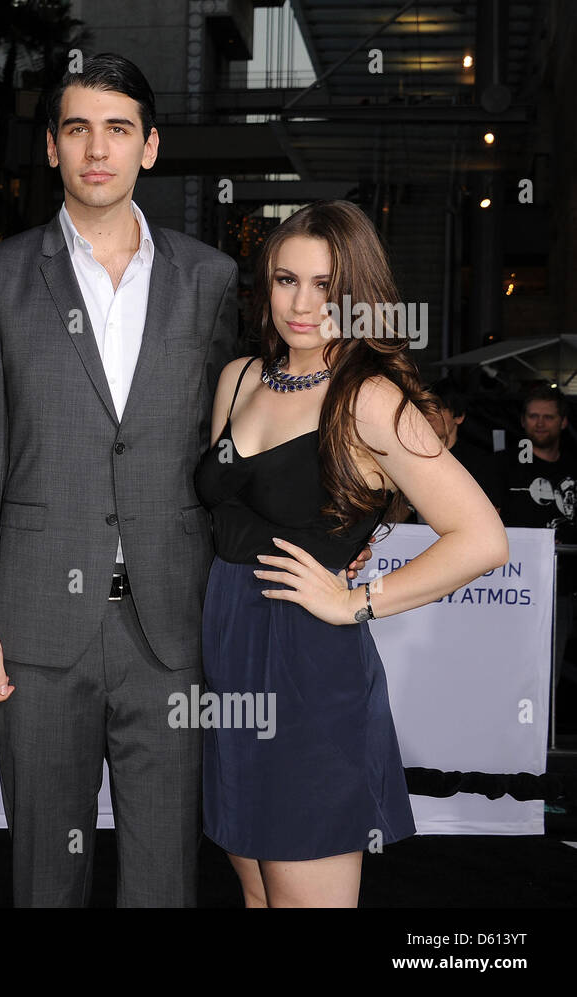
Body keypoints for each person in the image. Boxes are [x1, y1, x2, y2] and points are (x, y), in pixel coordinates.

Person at [0, 52, 244, 907]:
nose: (97, 149)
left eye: (118, 129)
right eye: (77, 129)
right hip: (35, 623)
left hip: (172, 625)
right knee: (46, 875)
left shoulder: (210, 280)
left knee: (164, 877)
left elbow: (234, 443)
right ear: (52, 148)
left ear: (148, 147)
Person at [194, 199, 508, 907]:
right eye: (285, 280)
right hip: (230, 657)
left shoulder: (369, 399)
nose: (302, 304)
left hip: (309, 669)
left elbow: (481, 536)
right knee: (256, 892)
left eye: (325, 287)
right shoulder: (240, 378)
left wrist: (356, 598)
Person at [498, 384, 577, 684]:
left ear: (563, 422)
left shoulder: (573, 465)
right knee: (509, 668)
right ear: (523, 420)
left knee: (547, 678)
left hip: (561, 590)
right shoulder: (506, 464)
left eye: (548, 417)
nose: (540, 423)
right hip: (511, 586)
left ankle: (540, 732)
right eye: (533, 416)